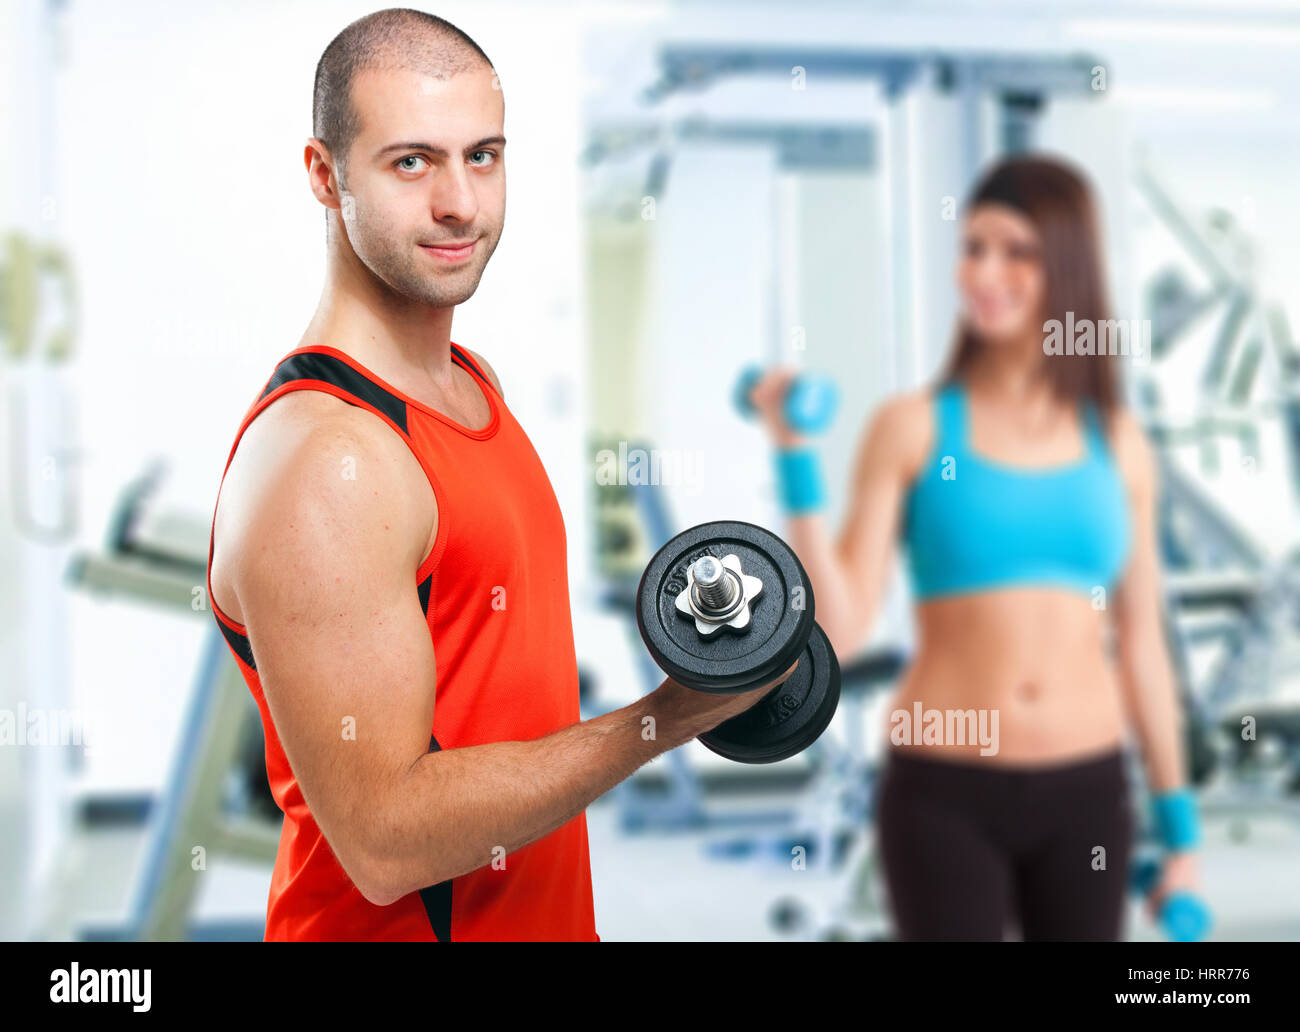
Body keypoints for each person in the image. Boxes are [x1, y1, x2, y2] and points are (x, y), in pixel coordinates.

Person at [206, 8, 785, 942]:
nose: (461, 204)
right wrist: (664, 718)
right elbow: (385, 842)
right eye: (411, 162)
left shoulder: (472, 387)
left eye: (482, 156)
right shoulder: (333, 460)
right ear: (324, 174)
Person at [746, 155, 1204, 941]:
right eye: (974, 248)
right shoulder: (913, 427)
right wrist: (795, 457)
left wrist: (1181, 832)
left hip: (1088, 790)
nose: (986, 273)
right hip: (943, 790)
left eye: (1017, 252)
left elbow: (1144, 646)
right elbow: (840, 630)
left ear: (1067, 269)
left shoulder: (1120, 444)